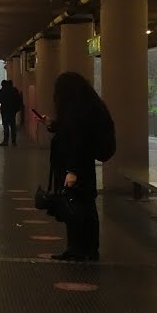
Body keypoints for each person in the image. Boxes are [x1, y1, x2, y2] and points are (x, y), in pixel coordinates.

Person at [42, 72, 110, 262]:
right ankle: (79, 248)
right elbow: (70, 131)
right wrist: (52, 124)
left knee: (80, 208)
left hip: (78, 168)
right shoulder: (84, 107)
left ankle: (83, 249)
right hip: (80, 167)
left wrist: (72, 171)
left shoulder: (80, 111)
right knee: (77, 206)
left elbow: (78, 142)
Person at [0, 79, 24, 147]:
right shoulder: (14, 90)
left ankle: (5, 141)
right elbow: (19, 101)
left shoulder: (3, 90)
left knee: (5, 126)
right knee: (13, 126)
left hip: (5, 110)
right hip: (12, 111)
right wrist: (16, 109)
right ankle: (14, 141)